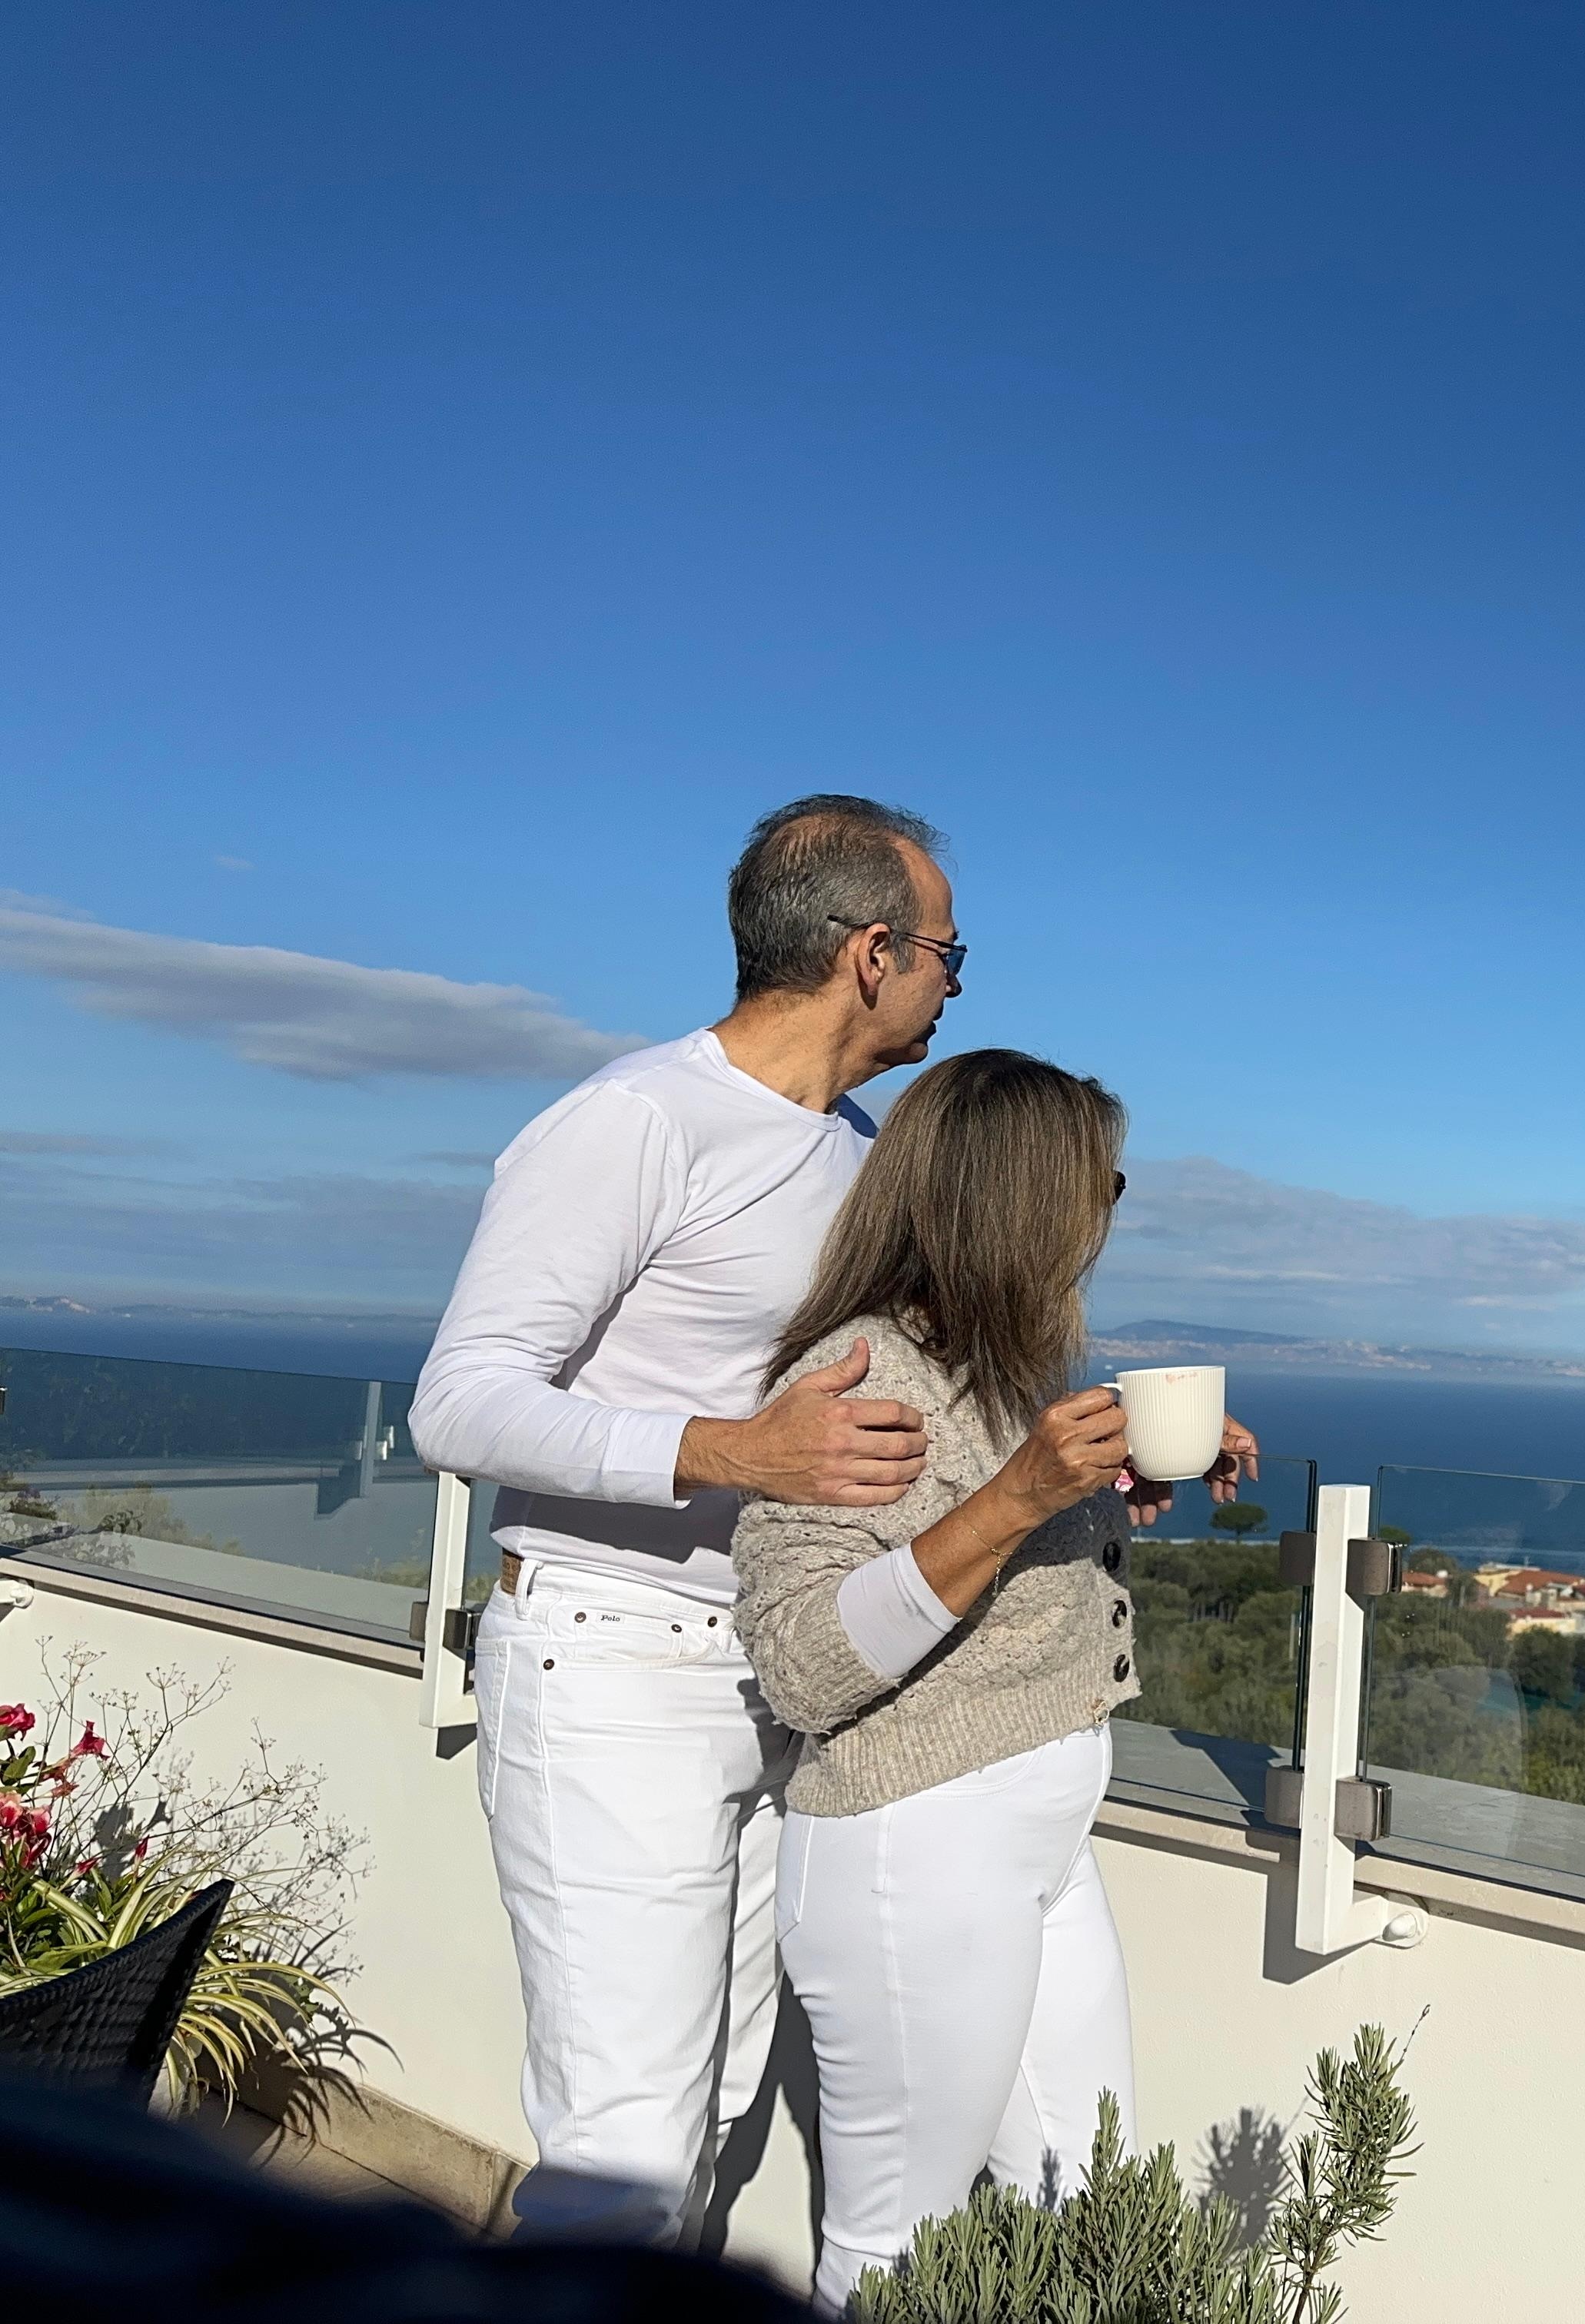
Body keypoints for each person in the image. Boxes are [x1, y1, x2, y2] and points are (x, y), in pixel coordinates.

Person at [410, 795, 962, 2244]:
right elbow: (458, 1404)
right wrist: (733, 1452)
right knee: (623, 2158)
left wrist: (1097, 1454)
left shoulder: (860, 1150)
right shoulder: (633, 1122)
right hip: (609, 1667)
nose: (954, 989)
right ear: (870, 952)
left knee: (715, 2114)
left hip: (781, 1677)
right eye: (949, 956)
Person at [729, 1048, 1252, 2315]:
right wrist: (1026, 1492)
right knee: (897, 2252)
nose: (1105, 1215)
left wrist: (1110, 1487)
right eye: (1099, 1185)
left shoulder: (997, 1371)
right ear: (1017, 1200)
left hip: (1035, 1840)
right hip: (915, 1847)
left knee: (1091, 2210)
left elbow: (987, 1562)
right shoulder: (860, 1375)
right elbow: (805, 1660)